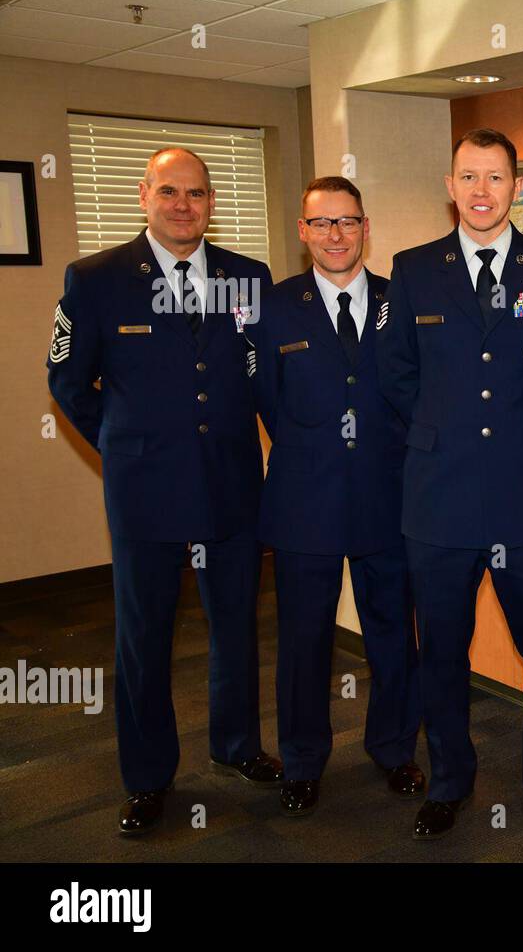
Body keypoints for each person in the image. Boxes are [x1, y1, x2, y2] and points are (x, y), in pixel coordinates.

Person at [46, 147, 281, 835]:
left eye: (198, 194)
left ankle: (236, 746)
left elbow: (261, 375)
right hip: (145, 491)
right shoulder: (96, 280)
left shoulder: (248, 277)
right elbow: (67, 381)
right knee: (144, 639)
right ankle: (148, 776)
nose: (185, 205)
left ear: (211, 203)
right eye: (171, 191)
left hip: (232, 486)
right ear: (144, 195)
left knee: (236, 628)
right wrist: (125, 443)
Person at [376, 129, 523, 841]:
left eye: (496, 177)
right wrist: (442, 429)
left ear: (517, 188)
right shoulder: (412, 269)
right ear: (451, 184)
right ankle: (451, 780)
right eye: (470, 176)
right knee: (441, 654)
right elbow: (396, 372)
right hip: (440, 500)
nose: (482, 190)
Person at [249, 177, 424, 818]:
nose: (335, 235)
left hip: (388, 498)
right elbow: (267, 400)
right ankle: (301, 760)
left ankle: (394, 748)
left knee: (391, 636)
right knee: (304, 642)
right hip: (305, 504)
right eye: (321, 224)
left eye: (347, 222)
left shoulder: (396, 301)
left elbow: (412, 393)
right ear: (302, 231)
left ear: (365, 227)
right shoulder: (270, 308)